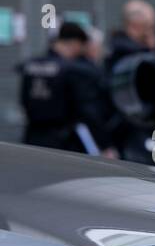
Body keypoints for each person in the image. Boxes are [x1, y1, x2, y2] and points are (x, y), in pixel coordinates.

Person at [17, 21, 113, 154]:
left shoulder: (32, 64)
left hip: (32, 136)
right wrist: (104, 144)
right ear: (74, 43)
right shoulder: (74, 70)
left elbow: (24, 101)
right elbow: (88, 112)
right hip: (63, 142)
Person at [105, 0, 155, 162]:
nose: (153, 32)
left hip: (122, 132)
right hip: (133, 133)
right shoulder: (138, 60)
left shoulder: (114, 52)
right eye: (150, 27)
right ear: (136, 25)